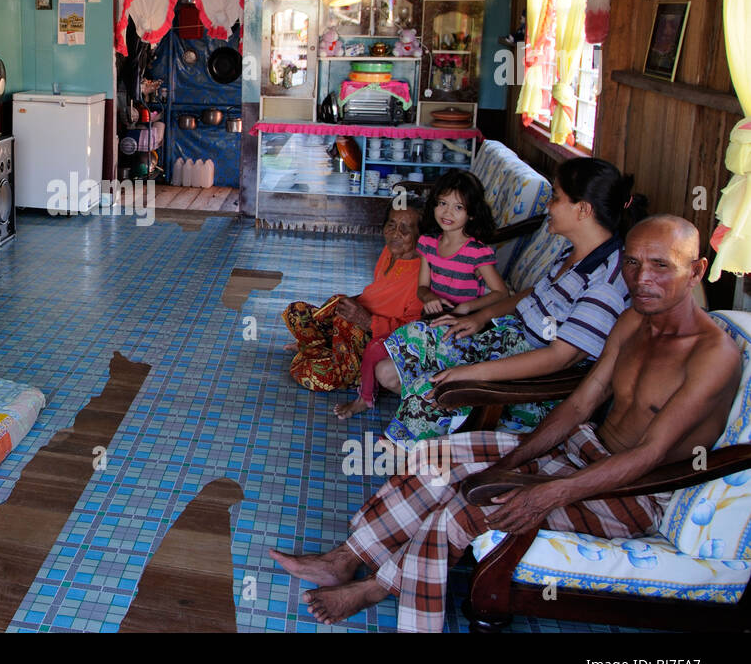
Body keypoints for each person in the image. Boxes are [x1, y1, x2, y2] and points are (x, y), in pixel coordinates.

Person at [270, 216, 740, 632]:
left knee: (470, 508)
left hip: (631, 492)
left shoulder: (712, 355)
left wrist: (544, 492)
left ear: (696, 271)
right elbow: (579, 407)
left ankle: (376, 587)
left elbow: (648, 454)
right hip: (578, 450)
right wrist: (513, 461)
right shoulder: (633, 323)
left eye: (661, 265)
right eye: (633, 263)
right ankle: (344, 559)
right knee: (437, 456)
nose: (642, 278)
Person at [377, 157, 645, 443]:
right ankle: (446, 430)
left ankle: (444, 436)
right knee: (409, 343)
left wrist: (469, 373)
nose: (548, 206)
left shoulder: (606, 282)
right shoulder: (577, 253)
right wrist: (479, 318)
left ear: (583, 209)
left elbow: (560, 358)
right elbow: (534, 293)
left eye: (555, 198)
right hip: (504, 339)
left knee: (426, 392)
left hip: (529, 380)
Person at [283, 201, 423, 417]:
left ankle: (323, 353)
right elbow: (376, 294)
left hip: (376, 340)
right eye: (392, 224)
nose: (396, 233)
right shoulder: (388, 251)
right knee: (296, 312)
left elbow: (410, 333)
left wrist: (367, 321)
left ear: (420, 234)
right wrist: (350, 303)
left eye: (407, 228)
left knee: (307, 373)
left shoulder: (422, 277)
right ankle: (318, 347)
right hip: (354, 325)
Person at [414, 170, 508, 316]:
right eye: (443, 203)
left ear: (472, 214)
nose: (447, 212)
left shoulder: (477, 252)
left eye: (458, 207)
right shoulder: (427, 243)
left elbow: (501, 293)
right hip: (434, 315)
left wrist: (467, 307)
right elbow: (422, 287)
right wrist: (429, 297)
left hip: (465, 320)